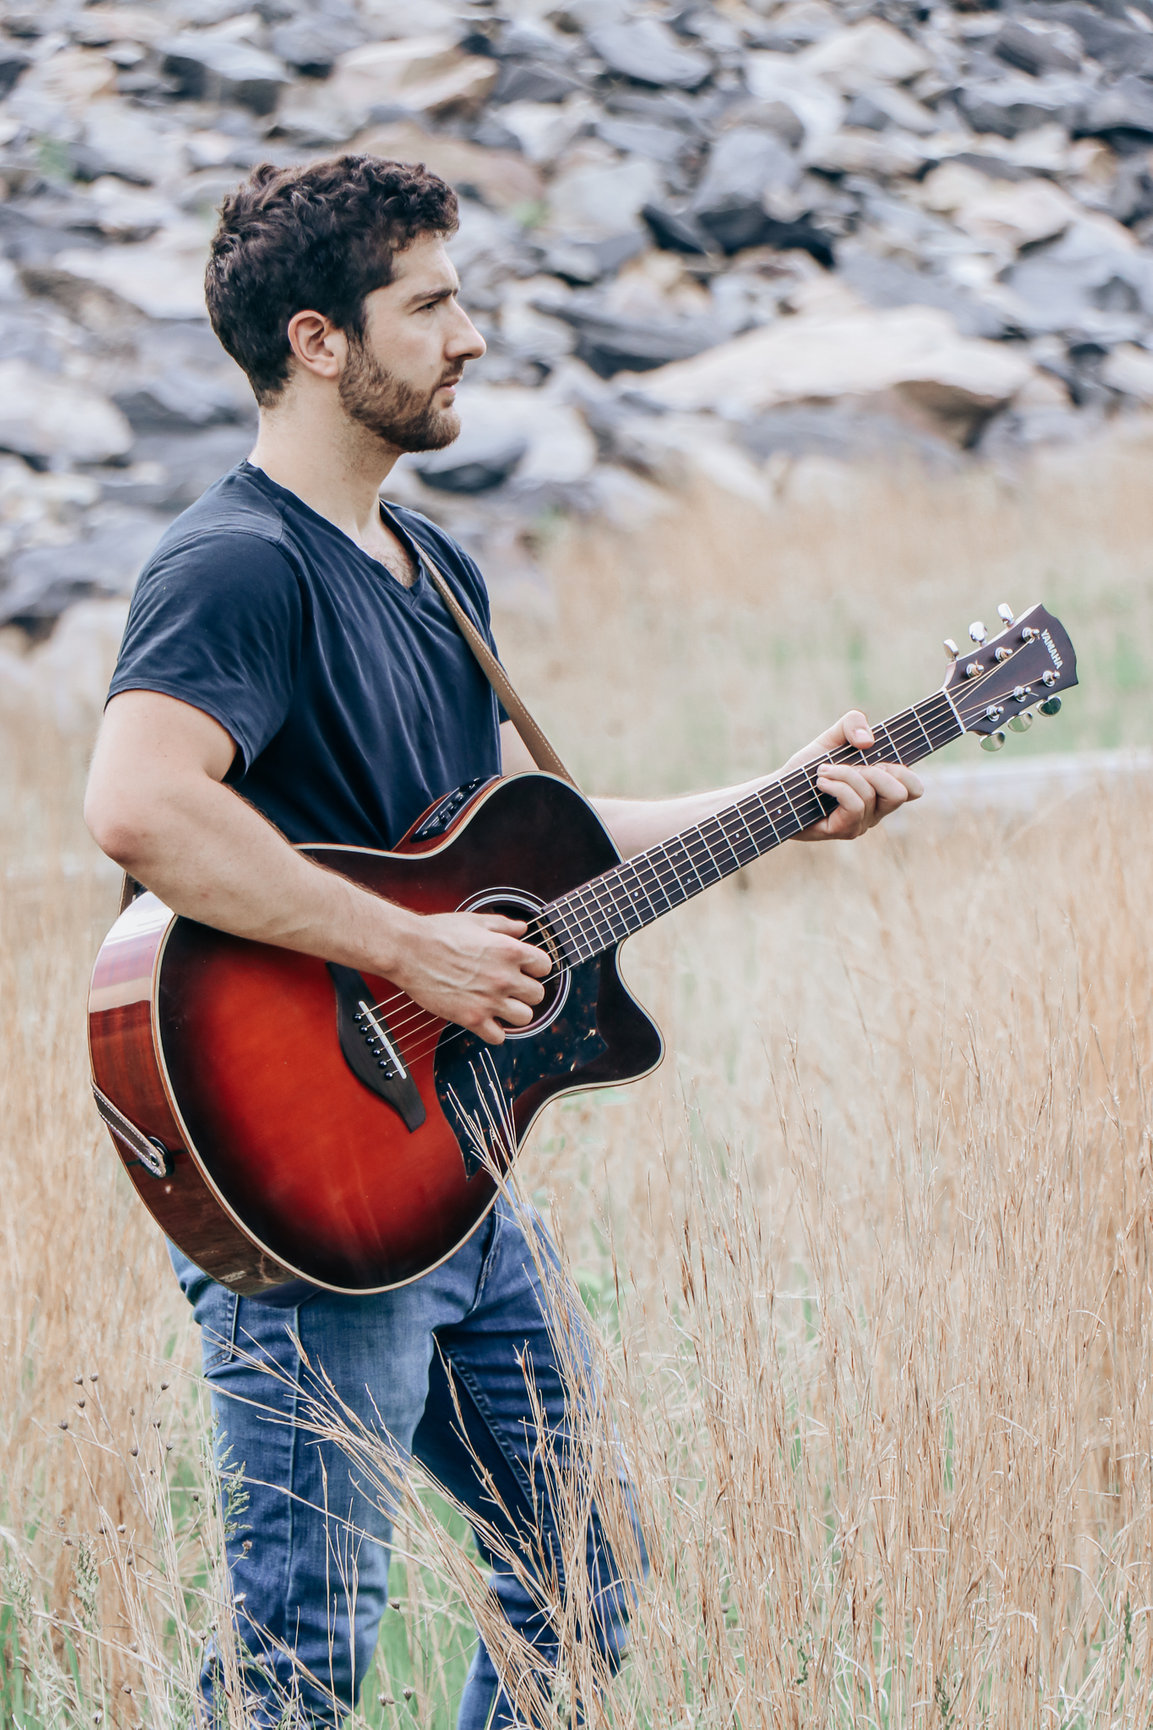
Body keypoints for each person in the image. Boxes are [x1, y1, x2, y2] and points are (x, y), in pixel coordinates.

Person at [83, 155, 923, 1728]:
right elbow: (138, 806)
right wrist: (404, 959)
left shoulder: (436, 574)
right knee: (302, 1654)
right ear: (321, 341)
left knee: (579, 1573)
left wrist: (779, 799)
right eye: (432, 303)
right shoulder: (236, 564)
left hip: (457, 1168)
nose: (469, 336)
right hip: (308, 1185)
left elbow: (516, 855)